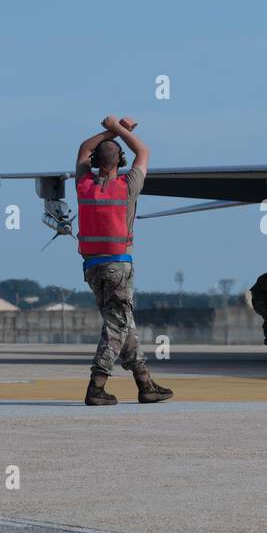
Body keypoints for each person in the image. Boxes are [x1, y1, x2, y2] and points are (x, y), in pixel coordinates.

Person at [75, 116, 172, 406]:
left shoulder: (84, 185)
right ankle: (97, 385)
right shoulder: (127, 186)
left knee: (122, 323)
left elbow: (82, 147)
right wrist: (120, 129)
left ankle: (145, 384)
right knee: (117, 326)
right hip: (119, 265)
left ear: (94, 162)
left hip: (92, 268)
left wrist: (110, 131)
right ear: (121, 160)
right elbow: (144, 152)